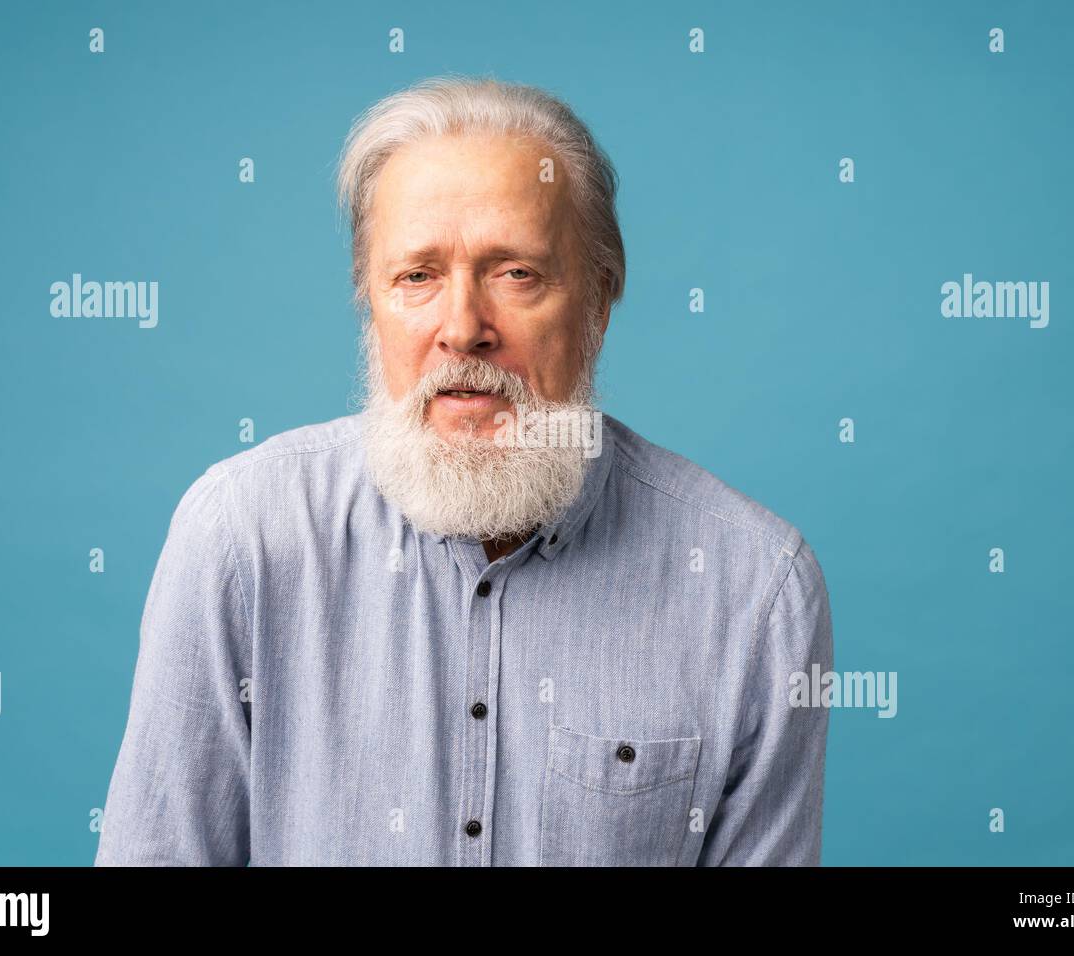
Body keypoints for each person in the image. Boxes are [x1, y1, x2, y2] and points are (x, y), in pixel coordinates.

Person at [95, 75, 833, 866]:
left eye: (515, 272)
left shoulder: (754, 589)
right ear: (368, 301)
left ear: (599, 302)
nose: (462, 329)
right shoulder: (239, 541)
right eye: (417, 276)